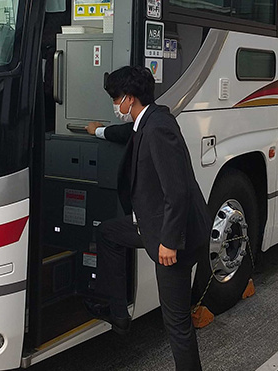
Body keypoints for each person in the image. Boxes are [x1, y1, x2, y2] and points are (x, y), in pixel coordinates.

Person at [84, 65, 211, 371]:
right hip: (150, 224)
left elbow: (177, 191)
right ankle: (118, 313)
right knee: (109, 234)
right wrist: (98, 130)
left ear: (128, 98)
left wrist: (169, 242)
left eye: (116, 100)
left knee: (177, 322)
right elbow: (128, 132)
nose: (115, 106)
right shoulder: (150, 119)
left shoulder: (159, 129)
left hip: (173, 238)